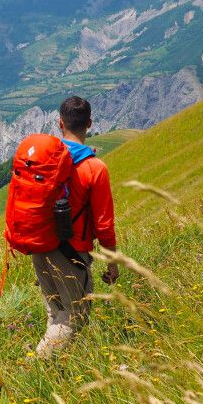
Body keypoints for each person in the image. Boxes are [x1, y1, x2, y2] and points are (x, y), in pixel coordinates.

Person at [33, 97, 119, 358]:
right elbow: (104, 224)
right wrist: (112, 263)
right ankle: (36, 369)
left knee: (56, 312)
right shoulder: (94, 168)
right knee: (75, 316)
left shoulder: (45, 160)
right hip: (71, 253)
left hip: (40, 248)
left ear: (60, 123)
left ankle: (57, 374)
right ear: (90, 124)